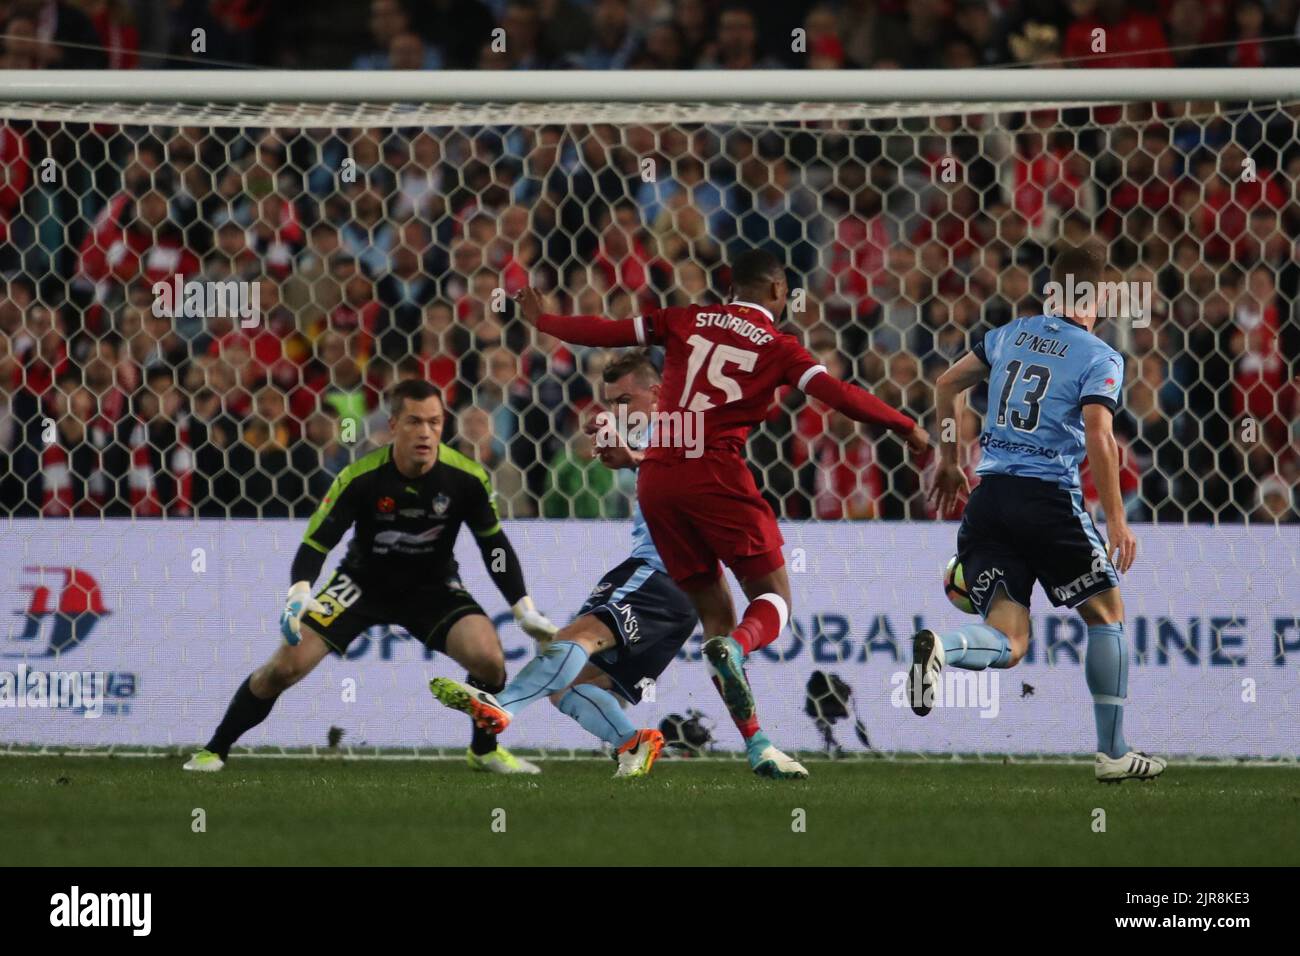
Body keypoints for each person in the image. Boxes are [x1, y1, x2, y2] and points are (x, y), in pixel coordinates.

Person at [514, 249, 929, 778]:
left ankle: (757, 744)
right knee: (772, 598)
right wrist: (908, 426)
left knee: (714, 615)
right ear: (778, 292)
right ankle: (736, 650)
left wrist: (543, 320)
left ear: (732, 286)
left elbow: (605, 332)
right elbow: (839, 396)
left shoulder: (685, 318)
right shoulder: (781, 347)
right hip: (716, 476)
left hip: (659, 479)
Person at [184, 380, 558, 775]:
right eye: (415, 421)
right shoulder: (360, 477)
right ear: (393, 425)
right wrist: (299, 591)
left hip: (432, 587)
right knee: (283, 668)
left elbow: (493, 546)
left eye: (434, 422)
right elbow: (317, 542)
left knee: (490, 661)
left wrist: (523, 608)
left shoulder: (466, 478)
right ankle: (215, 748)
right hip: (360, 584)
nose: (426, 432)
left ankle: (483, 751)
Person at [922, 242, 1166, 783]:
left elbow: (945, 384)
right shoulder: (1099, 355)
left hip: (988, 500)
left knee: (1010, 641)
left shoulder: (1010, 333)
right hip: (1047, 499)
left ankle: (943, 645)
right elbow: (1102, 439)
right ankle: (1113, 753)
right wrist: (1117, 520)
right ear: (1098, 295)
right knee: (1107, 616)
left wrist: (947, 460)